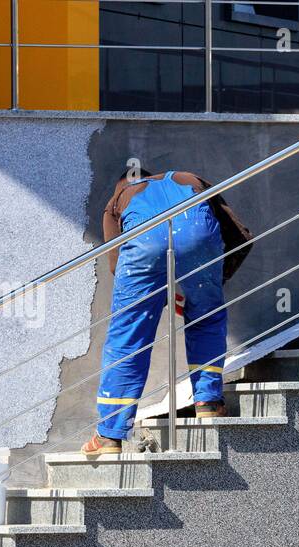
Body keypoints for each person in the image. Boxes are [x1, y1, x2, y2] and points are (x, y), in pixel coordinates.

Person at [83, 168, 237, 456]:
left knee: (128, 336)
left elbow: (118, 264)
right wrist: (208, 285)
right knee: (207, 317)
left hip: (144, 239)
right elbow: (236, 235)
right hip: (197, 230)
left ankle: (109, 435)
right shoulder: (189, 179)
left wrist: (155, 298)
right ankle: (209, 404)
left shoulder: (119, 198)